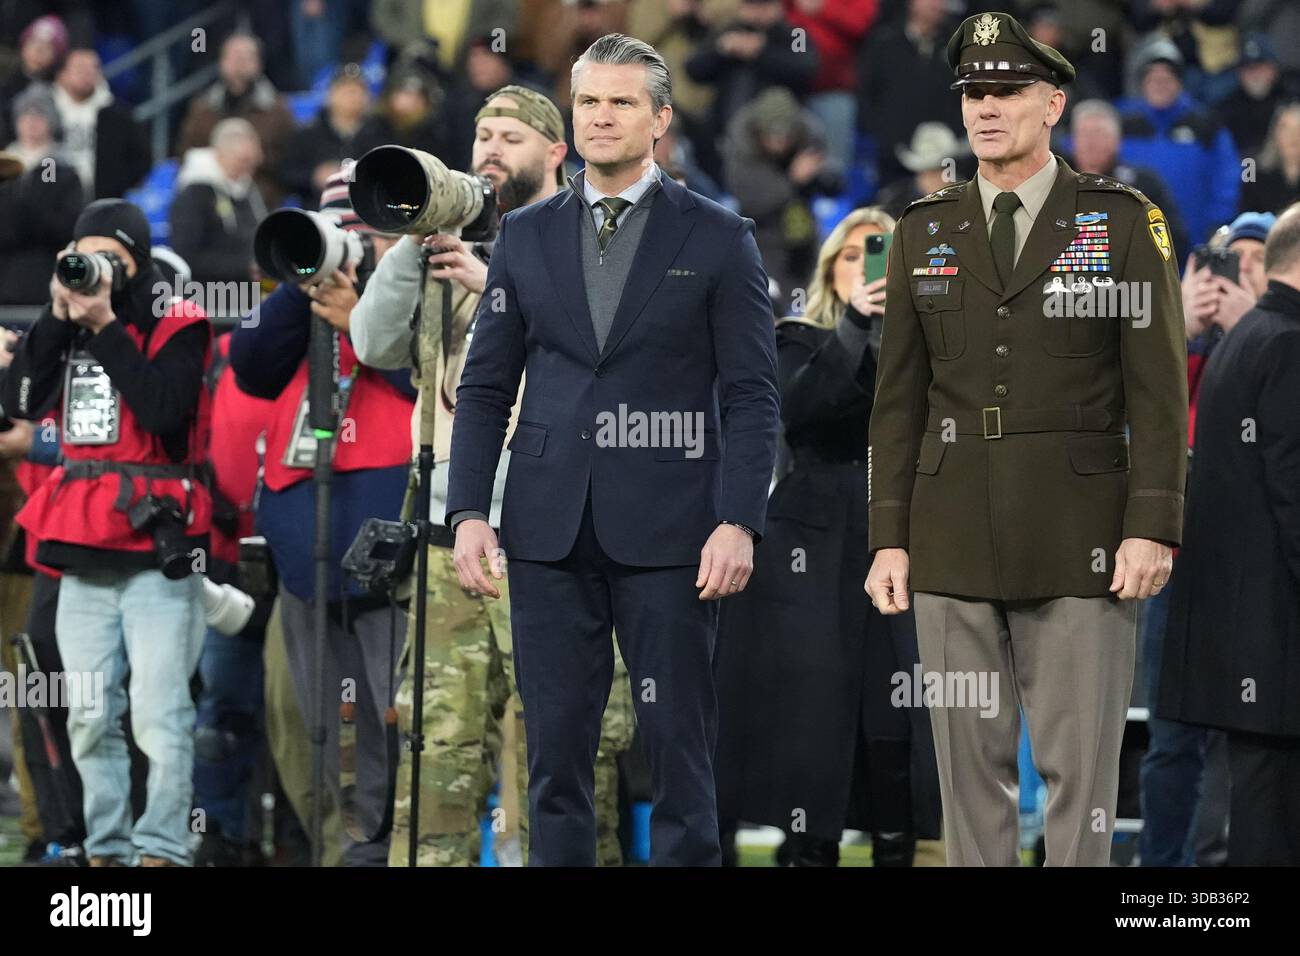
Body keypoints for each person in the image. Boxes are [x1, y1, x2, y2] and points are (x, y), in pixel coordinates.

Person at [446, 33, 780, 866]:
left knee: (679, 752)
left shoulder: (718, 235)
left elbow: (751, 396)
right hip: (545, 530)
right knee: (554, 756)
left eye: (622, 102)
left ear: (659, 120)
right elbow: (485, 389)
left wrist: (739, 518)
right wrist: (465, 513)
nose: (601, 117)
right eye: (588, 101)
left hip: (674, 536)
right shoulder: (522, 236)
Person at [864, 12, 1188, 867]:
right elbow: (897, 403)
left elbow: (1157, 391)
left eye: (1005, 91)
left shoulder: (1118, 223)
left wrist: (1151, 523)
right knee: (967, 779)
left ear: (1053, 103)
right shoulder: (922, 228)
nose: (985, 107)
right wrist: (887, 538)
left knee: (1080, 777)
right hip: (948, 533)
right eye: (973, 92)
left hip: (1082, 532)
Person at [350, 83, 635, 867]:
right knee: (436, 751)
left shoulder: (590, 232)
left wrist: (496, 284)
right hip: (448, 539)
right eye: (481, 136)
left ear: (556, 153)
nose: (489, 152)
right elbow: (373, 344)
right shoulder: (444, 249)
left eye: (510, 137)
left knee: (563, 753)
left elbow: (606, 349)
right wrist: (413, 241)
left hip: (555, 537)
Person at [715, 206, 941, 867]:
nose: (866, 269)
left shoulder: (929, 352)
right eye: (853, 255)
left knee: (894, 727)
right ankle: (807, 851)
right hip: (809, 550)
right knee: (810, 731)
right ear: (830, 272)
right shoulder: (795, 338)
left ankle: (897, 847)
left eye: (882, 256)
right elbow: (803, 405)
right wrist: (858, 324)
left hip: (905, 539)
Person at [1, 199, 213, 866]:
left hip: (155, 547)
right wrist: (57, 321)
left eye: (109, 258)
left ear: (138, 261)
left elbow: (163, 411)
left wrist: (107, 325)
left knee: (158, 715)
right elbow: (20, 402)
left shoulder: (180, 317)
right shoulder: (71, 317)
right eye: (84, 254)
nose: (95, 269)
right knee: (89, 716)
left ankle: (162, 849)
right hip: (81, 548)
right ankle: (107, 849)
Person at [229, 170, 415, 866]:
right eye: (336, 228)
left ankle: (392, 848)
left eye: (361, 231)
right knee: (317, 723)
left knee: (395, 719)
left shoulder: (425, 284)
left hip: (388, 559)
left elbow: (429, 376)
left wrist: (364, 312)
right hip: (304, 558)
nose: (349, 243)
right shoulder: (301, 300)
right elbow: (250, 366)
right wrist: (298, 281)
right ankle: (341, 849)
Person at [1158, 202, 1300, 865]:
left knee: (1254, 803)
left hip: (1244, 630)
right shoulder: (1284, 342)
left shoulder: (1250, 336)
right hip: (1275, 633)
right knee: (1269, 816)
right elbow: (1293, 494)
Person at [1117, 37, 1240, 248]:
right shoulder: (1122, 123)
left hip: (1194, 241)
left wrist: (1217, 226)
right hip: (1131, 242)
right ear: (1142, 84)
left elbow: (1227, 179)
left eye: (1167, 79)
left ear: (1180, 83)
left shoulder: (1205, 126)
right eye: (1153, 79)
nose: (1160, 85)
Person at [176, 33, 294, 207]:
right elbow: (185, 152)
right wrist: (220, 163)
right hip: (208, 189)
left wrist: (250, 160)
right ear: (221, 62)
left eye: (247, 56)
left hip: (261, 191)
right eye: (234, 56)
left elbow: (290, 157)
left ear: (258, 63)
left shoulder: (277, 109)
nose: (240, 62)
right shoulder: (202, 108)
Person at [1068, 99, 1187, 268]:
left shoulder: (1143, 184)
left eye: (1099, 134)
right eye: (1083, 134)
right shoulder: (1054, 181)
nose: (1090, 142)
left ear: (1118, 141)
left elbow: (1175, 242)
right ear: (1072, 141)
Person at [169, 118, 268, 287]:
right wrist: (245, 267)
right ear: (220, 154)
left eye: (252, 161)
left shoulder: (247, 188)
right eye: (242, 161)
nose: (248, 169)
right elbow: (187, 254)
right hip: (209, 292)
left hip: (249, 288)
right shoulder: (194, 194)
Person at [52, 48, 151, 203]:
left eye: (93, 68)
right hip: (53, 207)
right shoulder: (45, 111)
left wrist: (115, 188)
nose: (87, 73)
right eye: (80, 68)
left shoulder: (118, 115)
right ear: (62, 75)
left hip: (101, 205)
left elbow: (141, 159)